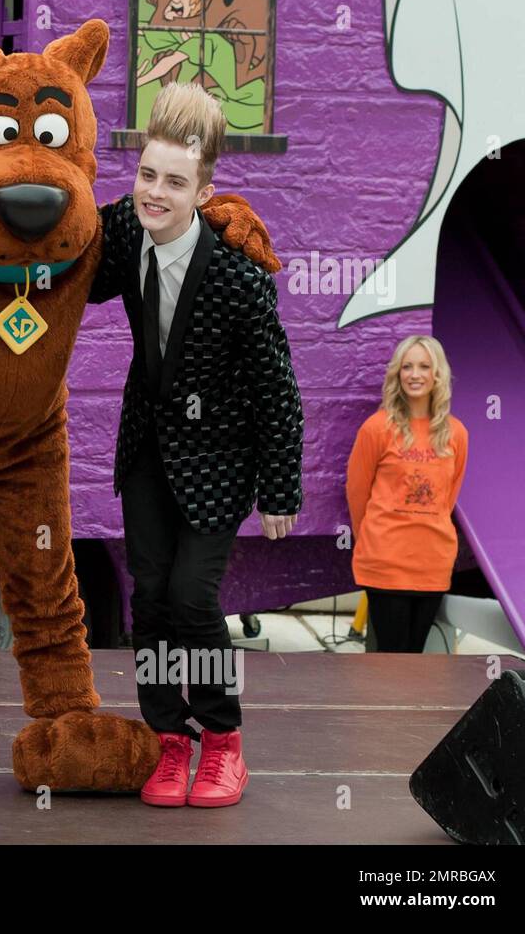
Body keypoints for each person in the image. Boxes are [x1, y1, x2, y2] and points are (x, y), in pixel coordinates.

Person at [89, 82, 304, 808]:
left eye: (174, 182)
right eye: (147, 175)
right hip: (148, 448)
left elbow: (277, 388)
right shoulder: (125, 230)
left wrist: (279, 489)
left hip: (219, 460)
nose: (154, 192)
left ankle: (221, 739)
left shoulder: (240, 278)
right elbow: (75, 260)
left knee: (190, 595)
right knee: (149, 597)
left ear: (203, 190)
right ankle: (168, 737)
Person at [346, 335, 469, 653]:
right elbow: (357, 492)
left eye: (424, 366)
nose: (415, 374)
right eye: (407, 367)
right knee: (392, 661)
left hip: (432, 564)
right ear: (397, 374)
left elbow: (449, 497)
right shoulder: (376, 428)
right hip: (386, 561)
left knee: (415, 661)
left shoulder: (456, 433)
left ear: (437, 374)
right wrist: (372, 543)